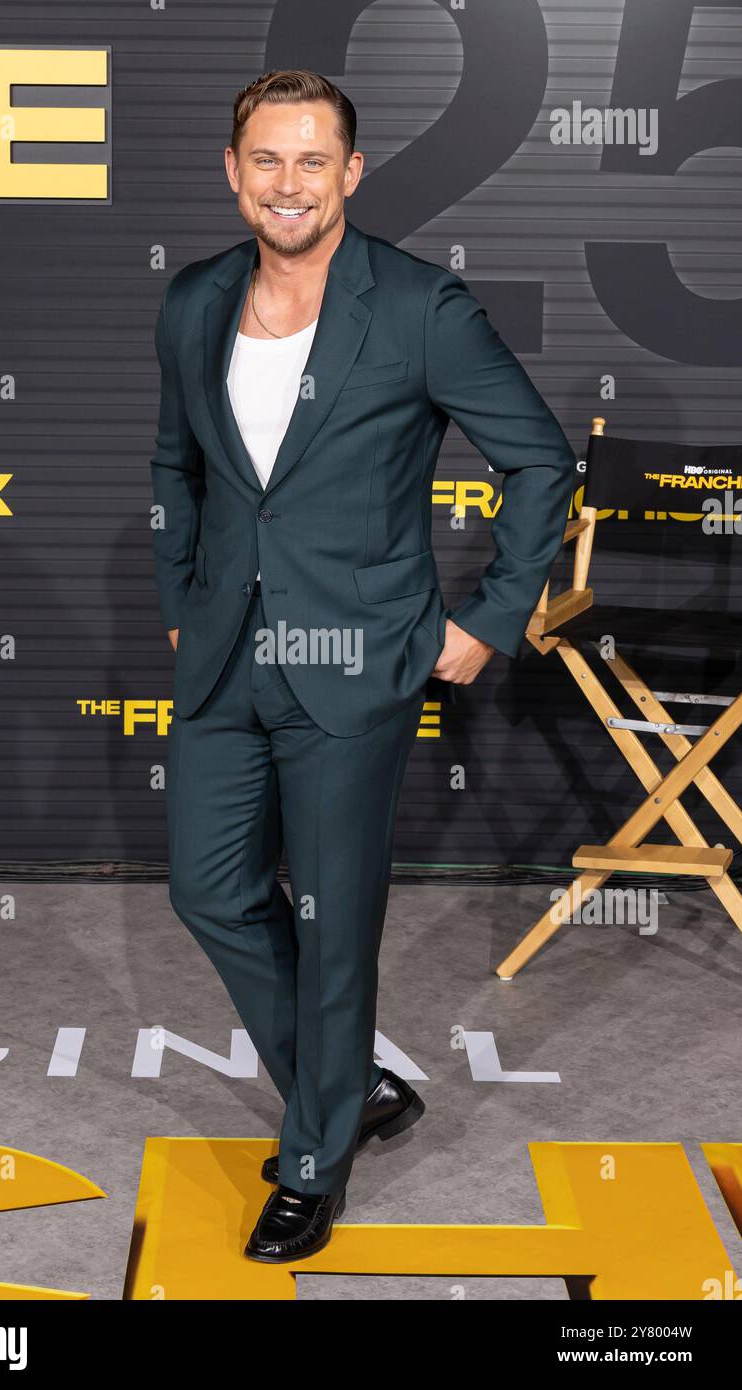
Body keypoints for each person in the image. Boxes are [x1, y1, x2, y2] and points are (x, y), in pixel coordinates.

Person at [150, 69, 577, 1263]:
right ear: (234, 173)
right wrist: (180, 597)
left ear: (350, 171)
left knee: (331, 924)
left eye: (312, 161)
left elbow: (538, 464)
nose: (289, 184)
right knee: (208, 889)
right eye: (266, 162)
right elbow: (173, 464)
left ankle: (313, 1156)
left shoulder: (419, 309)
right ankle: (350, 1087)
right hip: (225, 658)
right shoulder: (192, 302)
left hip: (354, 661)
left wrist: (487, 619)